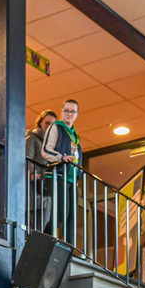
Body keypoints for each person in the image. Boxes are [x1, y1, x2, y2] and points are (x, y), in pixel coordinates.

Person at [41, 100, 82, 247]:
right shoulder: (56, 127)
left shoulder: (75, 135)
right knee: (60, 214)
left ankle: (69, 248)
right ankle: (43, 243)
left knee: (71, 217)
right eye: (66, 111)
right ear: (62, 112)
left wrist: (78, 173)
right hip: (58, 175)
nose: (69, 114)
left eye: (72, 111)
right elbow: (46, 150)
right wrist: (61, 157)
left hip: (71, 178)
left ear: (77, 114)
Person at [25, 110, 57, 229]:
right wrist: (32, 172)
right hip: (35, 185)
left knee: (45, 221)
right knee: (37, 223)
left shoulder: (52, 145)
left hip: (46, 187)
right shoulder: (32, 137)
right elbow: (27, 157)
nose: (49, 126)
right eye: (47, 123)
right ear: (40, 124)